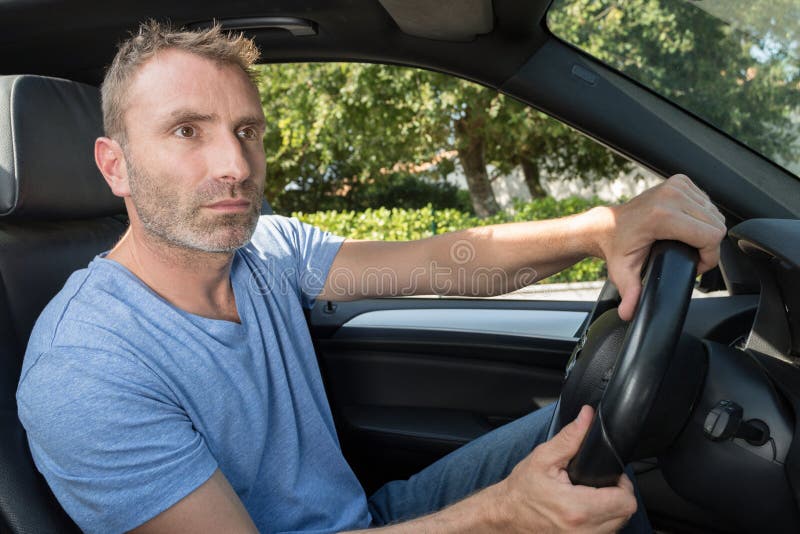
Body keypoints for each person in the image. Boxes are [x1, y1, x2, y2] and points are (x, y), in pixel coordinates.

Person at [15, 21, 726, 534]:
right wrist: (502, 515)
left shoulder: (266, 250)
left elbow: (445, 261)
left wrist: (601, 229)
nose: (234, 165)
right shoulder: (85, 369)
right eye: (186, 131)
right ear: (115, 166)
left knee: (588, 431)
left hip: (369, 518)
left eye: (247, 131)